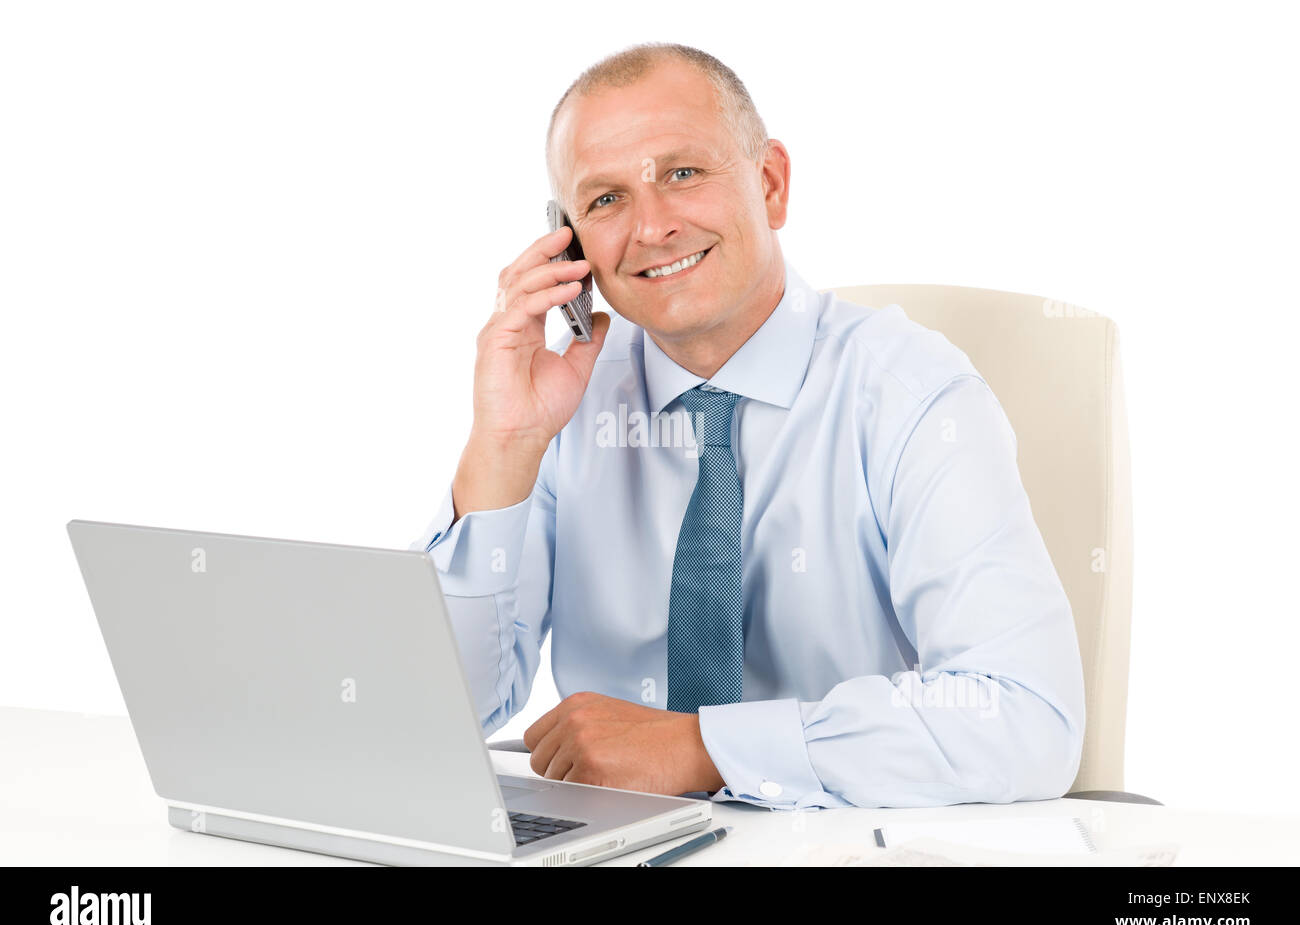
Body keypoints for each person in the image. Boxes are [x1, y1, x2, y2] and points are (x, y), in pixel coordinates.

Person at [410, 42, 1085, 810]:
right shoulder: (565, 402)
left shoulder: (912, 394)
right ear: (570, 246)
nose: (652, 226)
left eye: (683, 174)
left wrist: (704, 749)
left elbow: (1028, 719)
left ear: (769, 185)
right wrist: (503, 447)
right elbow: (428, 717)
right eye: (605, 201)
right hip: (609, 852)